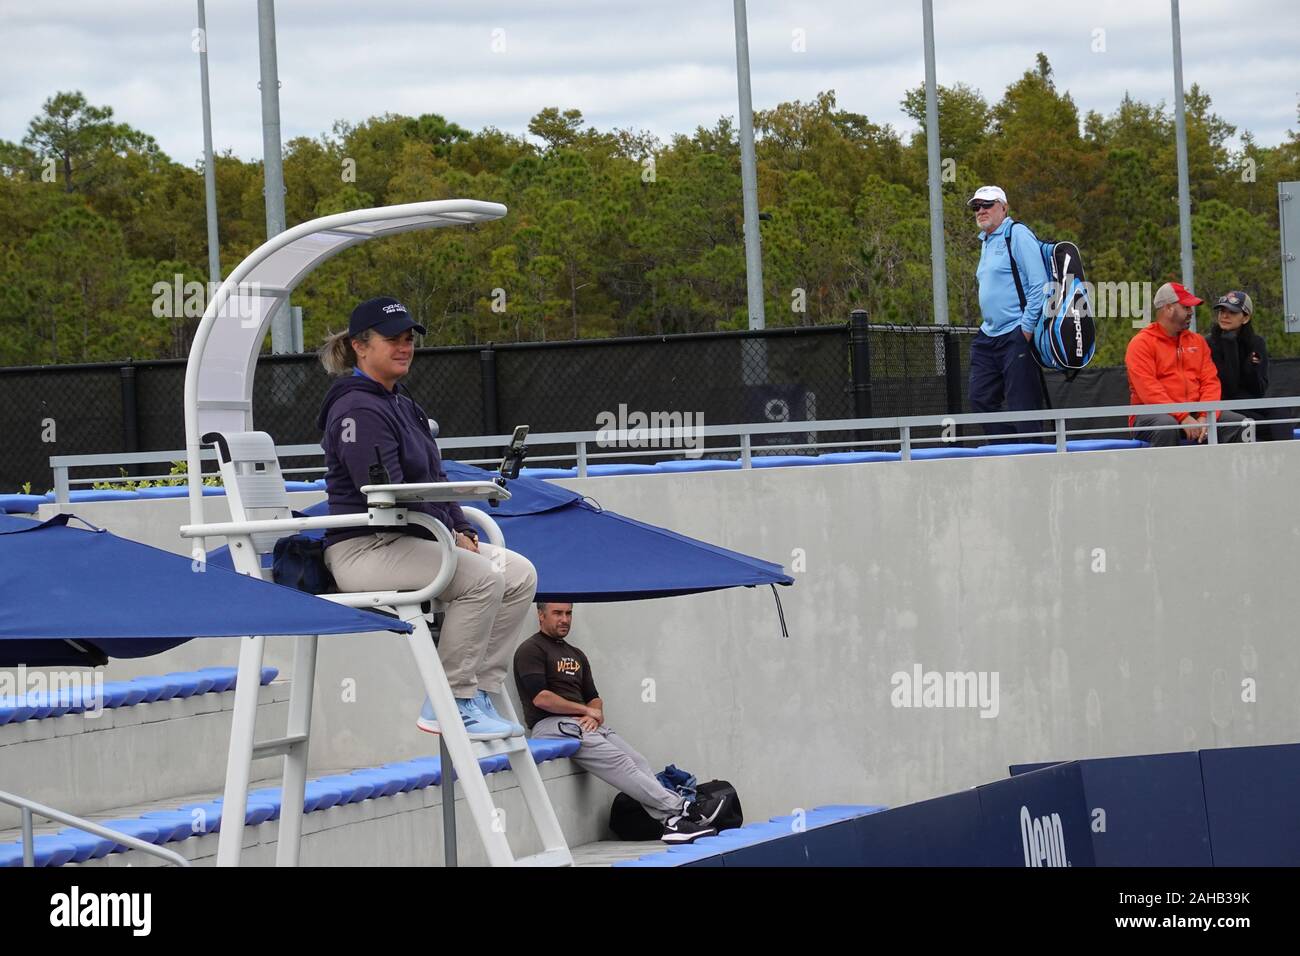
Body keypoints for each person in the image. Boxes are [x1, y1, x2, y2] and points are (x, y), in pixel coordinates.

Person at [317, 296, 537, 740]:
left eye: (407, 339)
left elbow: (434, 476)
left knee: (517, 573)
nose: (404, 347)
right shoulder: (357, 408)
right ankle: (448, 700)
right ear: (361, 346)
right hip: (364, 547)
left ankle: (478, 692)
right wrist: (445, 534)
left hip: (409, 538)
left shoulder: (399, 401)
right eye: (391, 339)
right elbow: (388, 493)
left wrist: (461, 527)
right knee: (480, 578)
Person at [513, 602, 730, 844]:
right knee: (621, 762)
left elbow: (595, 698)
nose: (564, 619)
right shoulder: (530, 650)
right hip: (551, 725)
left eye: (568, 613)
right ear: (541, 615)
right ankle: (683, 809)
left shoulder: (576, 654)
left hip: (580, 724)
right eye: (558, 613)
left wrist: (594, 712)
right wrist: (586, 710)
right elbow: (541, 699)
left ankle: (671, 823)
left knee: (638, 760)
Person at [968, 185, 1048, 438]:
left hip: (1015, 332)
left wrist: (1025, 330)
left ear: (1004, 207)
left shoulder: (1018, 234)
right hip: (989, 335)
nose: (981, 210)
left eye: (987, 205)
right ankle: (1011, 450)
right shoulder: (987, 241)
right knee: (979, 398)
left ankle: (1034, 459)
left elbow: (1040, 285)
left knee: (1023, 405)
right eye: (976, 206)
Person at [1125, 282, 1248, 446]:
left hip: (1195, 413)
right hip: (1151, 414)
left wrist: (1206, 415)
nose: (1191, 312)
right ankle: (1167, 472)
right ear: (1168, 308)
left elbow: (1210, 382)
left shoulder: (1197, 341)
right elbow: (1149, 390)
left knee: (1240, 424)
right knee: (1166, 425)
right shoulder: (1141, 343)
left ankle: (1229, 472)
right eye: (1186, 307)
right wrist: (1182, 416)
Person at [1207, 291, 1282, 441]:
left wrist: (1251, 368)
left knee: (1280, 412)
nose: (1224, 316)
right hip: (1223, 404)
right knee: (1262, 425)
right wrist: (1230, 346)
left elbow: (1259, 389)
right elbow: (1229, 388)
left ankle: (1290, 459)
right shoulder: (1209, 343)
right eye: (1222, 311)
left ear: (1246, 318)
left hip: (1250, 401)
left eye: (1232, 312)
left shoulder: (1256, 342)